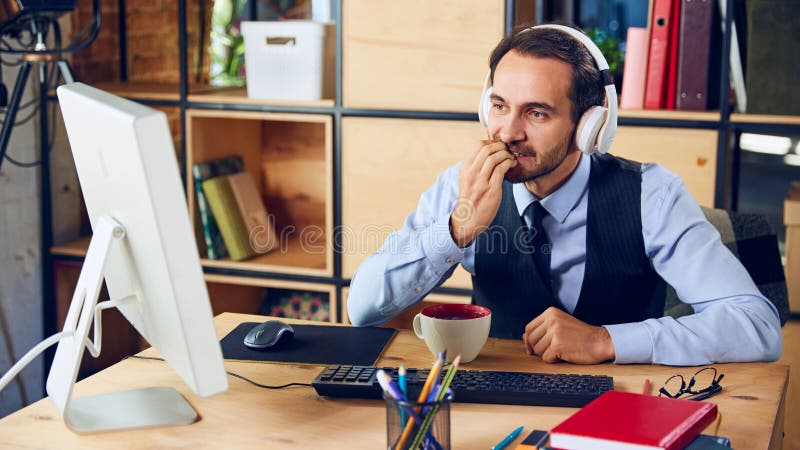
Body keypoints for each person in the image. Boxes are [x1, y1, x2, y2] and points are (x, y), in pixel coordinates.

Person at [346, 24, 782, 366]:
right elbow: (363, 308)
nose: (509, 132)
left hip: (616, 406)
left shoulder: (653, 194)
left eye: (537, 113)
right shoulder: (463, 185)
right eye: (499, 106)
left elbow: (757, 326)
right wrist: (457, 229)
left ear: (590, 126)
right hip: (495, 408)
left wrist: (607, 340)